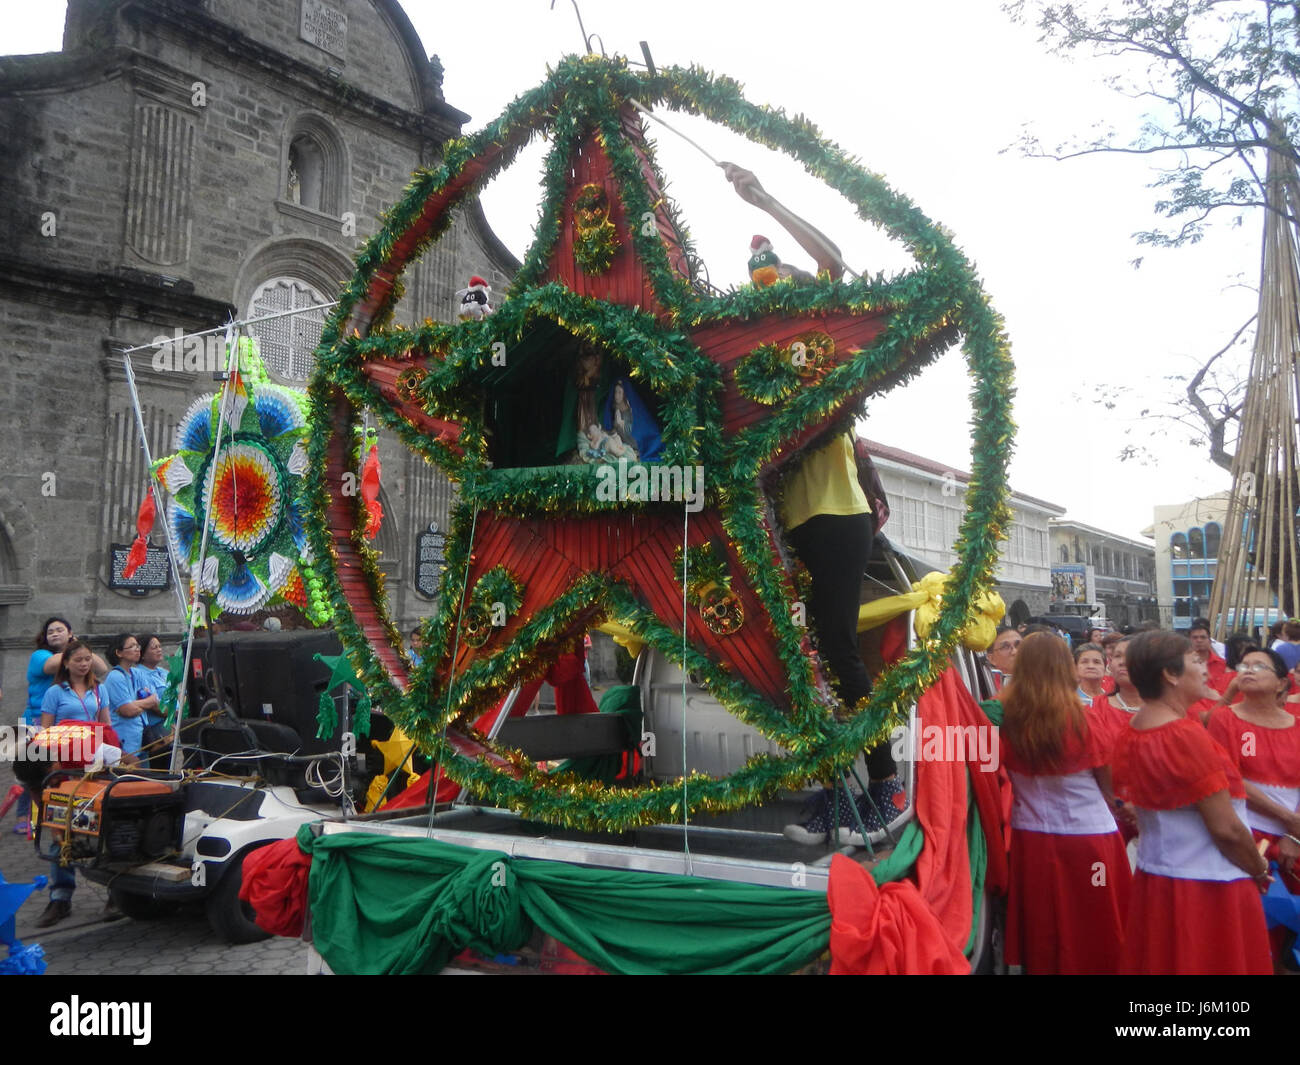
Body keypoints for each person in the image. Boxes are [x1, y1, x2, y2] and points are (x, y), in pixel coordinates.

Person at [720, 162, 894, 844]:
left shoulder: (823, 349)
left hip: (836, 515)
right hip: (788, 527)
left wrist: (763, 199)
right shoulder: (754, 367)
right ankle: (837, 792)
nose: (766, 303)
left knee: (840, 650)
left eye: (775, 291)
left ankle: (882, 782)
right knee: (809, 659)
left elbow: (835, 262)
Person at [1111, 630, 1271, 974]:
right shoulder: (1181, 735)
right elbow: (1226, 828)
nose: (1205, 669)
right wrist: (1258, 868)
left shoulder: (1136, 727)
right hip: (1207, 886)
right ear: (1170, 674)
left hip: (1159, 879)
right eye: (1195, 661)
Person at [999, 633, 1131, 973]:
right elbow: (1108, 785)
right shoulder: (1083, 719)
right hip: (1089, 842)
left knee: (1045, 927)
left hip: (1031, 840)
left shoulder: (1003, 719)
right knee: (1098, 918)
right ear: (1065, 667)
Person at [1206, 647, 1300, 967]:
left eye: (1259, 666)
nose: (1248, 669)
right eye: (1244, 665)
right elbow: (1229, 777)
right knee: (1255, 933)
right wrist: (1287, 819)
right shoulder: (1224, 719)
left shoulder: (1298, 724)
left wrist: (1294, 835)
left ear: (1281, 683)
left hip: (1295, 838)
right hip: (1248, 836)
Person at [34, 637, 113, 928]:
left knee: (103, 830)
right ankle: (60, 897)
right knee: (60, 832)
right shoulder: (55, 693)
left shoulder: (99, 689)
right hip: (64, 771)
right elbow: (46, 732)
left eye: (87, 659)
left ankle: (115, 893)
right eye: (78, 659)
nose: (84, 664)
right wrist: (52, 764)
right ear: (66, 663)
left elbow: (106, 727)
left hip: (94, 768)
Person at [15, 617, 107, 836]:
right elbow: (55, 664)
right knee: (31, 772)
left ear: (70, 632)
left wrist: (77, 647)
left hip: (66, 726)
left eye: (60, 630)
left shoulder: (90, 681)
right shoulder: (40, 655)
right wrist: (73, 649)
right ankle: (23, 816)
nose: (54, 634)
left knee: (53, 774)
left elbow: (101, 667)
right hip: (35, 722)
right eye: (50, 631)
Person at [102, 633, 158, 761]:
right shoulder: (115, 677)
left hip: (142, 738)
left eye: (137, 645)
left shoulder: (137, 672)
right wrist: (142, 704)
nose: (137, 649)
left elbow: (154, 700)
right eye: (132, 646)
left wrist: (134, 704)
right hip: (124, 740)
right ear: (119, 653)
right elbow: (128, 711)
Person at [135, 633, 172, 767]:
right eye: (154, 647)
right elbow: (154, 704)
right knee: (160, 769)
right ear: (143, 654)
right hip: (157, 730)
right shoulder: (140, 674)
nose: (159, 649)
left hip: (172, 726)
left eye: (159, 646)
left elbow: (180, 694)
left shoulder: (163, 672)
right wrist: (173, 713)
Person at [985, 626, 1022, 691]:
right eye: (1005, 647)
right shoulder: (989, 689)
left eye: (1018, 645)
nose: (1015, 652)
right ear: (991, 658)